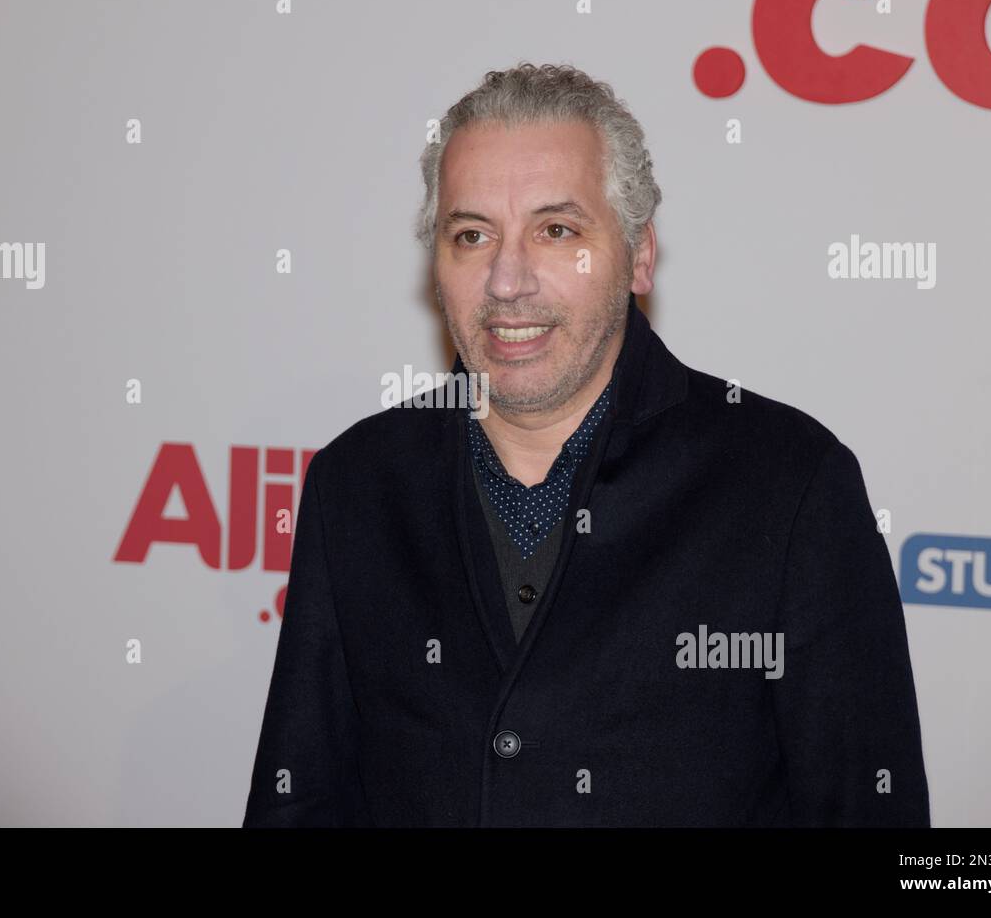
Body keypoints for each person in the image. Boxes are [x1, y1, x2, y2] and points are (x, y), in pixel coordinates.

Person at [242, 62, 929, 827]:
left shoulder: (791, 485)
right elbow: (299, 800)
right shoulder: (358, 483)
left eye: (556, 230)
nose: (507, 280)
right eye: (471, 235)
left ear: (639, 255)